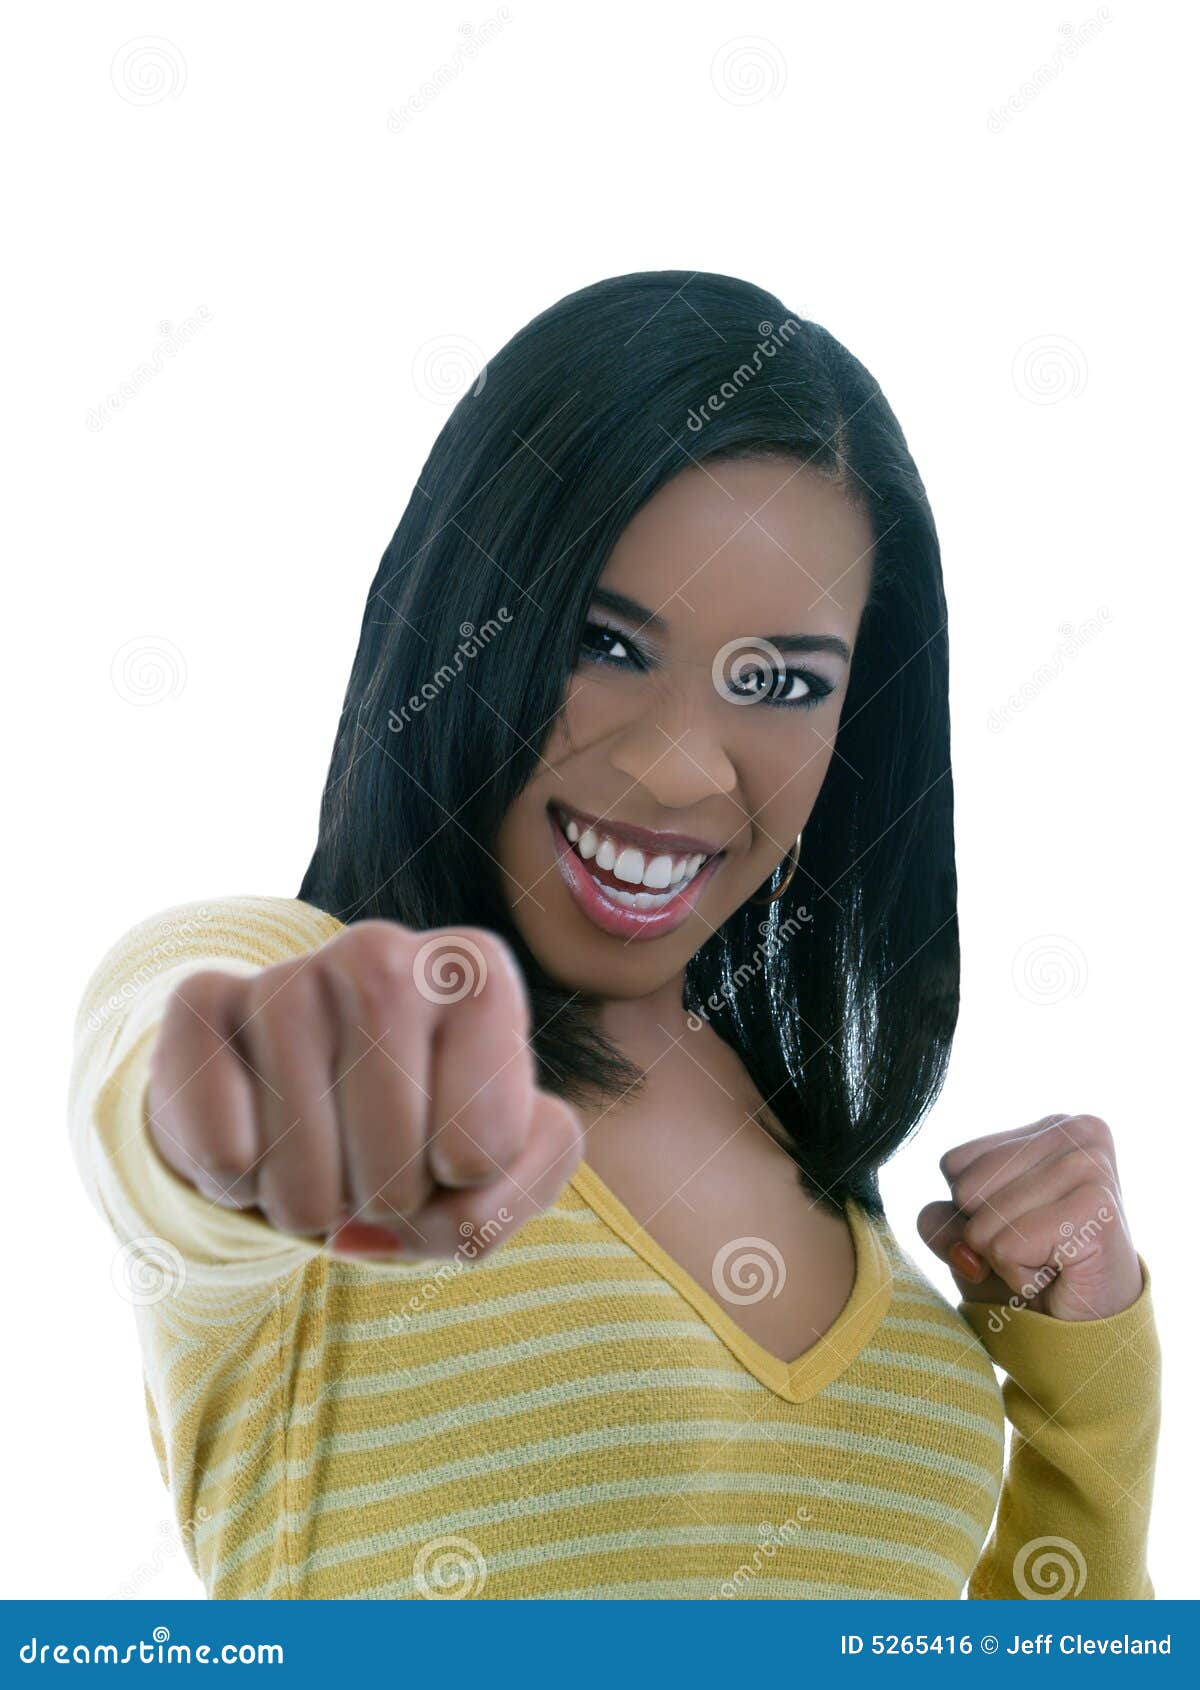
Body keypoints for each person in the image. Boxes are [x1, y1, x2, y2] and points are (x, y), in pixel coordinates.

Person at [69, 270, 1160, 1601]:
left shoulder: (834, 1174)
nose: (686, 769)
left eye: (781, 681)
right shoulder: (287, 975)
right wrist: (250, 1090)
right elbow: (171, 1081)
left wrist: (1092, 1392)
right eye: (607, 642)